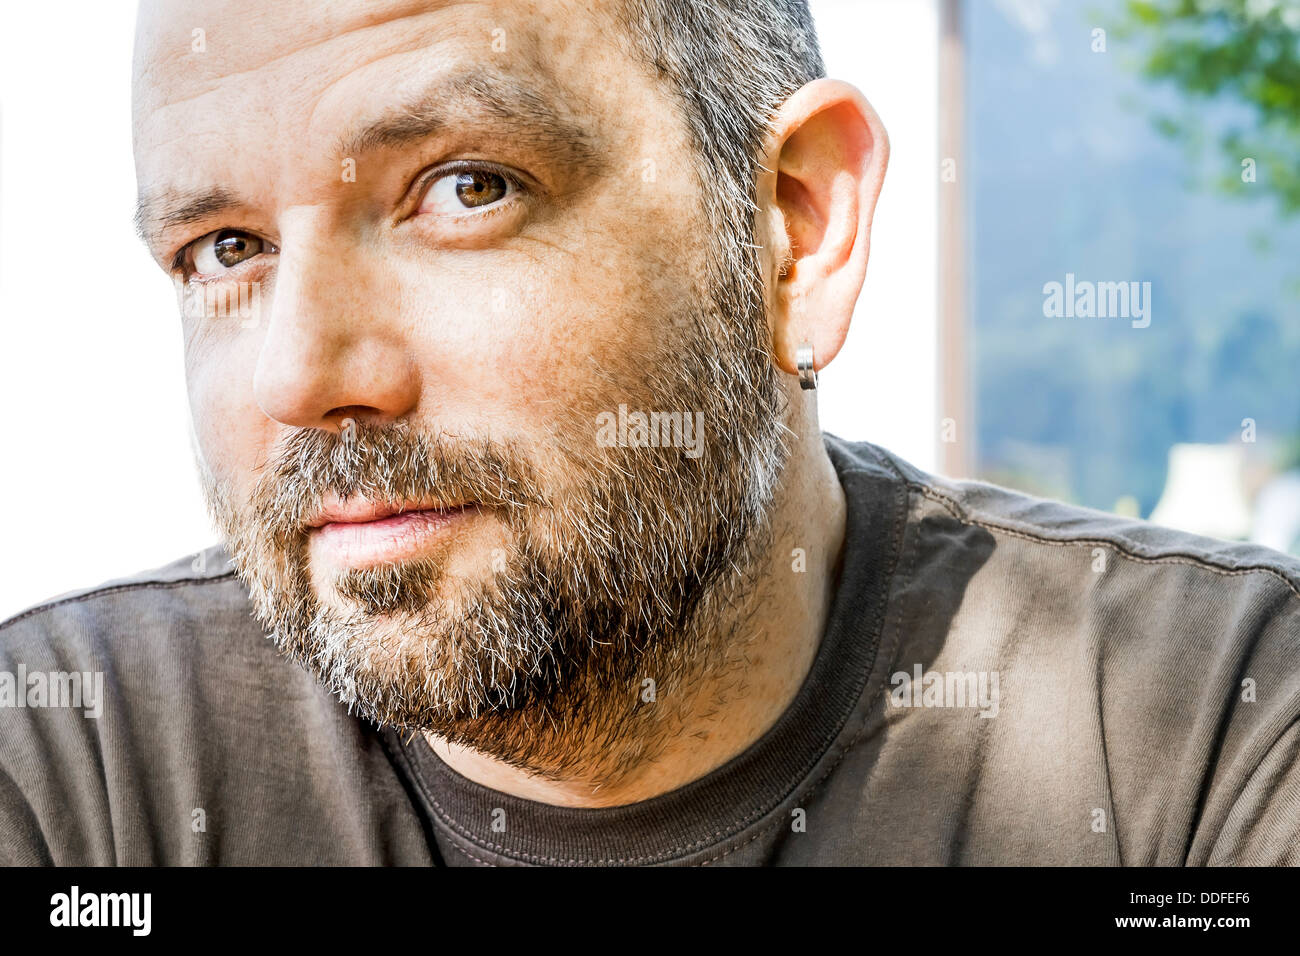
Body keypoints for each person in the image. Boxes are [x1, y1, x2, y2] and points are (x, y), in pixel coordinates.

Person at [2, 0, 1298, 866]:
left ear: (794, 224)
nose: (298, 376)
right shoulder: (74, 777)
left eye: (466, 188)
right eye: (223, 249)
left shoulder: (1206, 740)